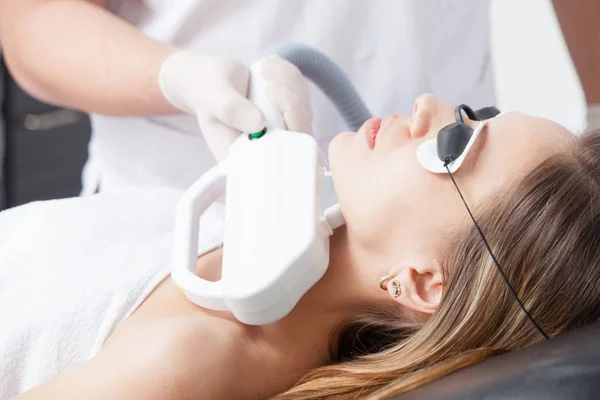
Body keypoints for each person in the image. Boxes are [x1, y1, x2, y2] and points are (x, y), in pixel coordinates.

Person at [3, 94, 600, 399]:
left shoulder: (202, 352)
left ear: (421, 282)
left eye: (453, 143)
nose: (427, 107)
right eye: (474, 113)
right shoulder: (252, 231)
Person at [0, 1, 597, 195]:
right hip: (182, 195)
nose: (427, 110)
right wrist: (177, 76)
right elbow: (34, 20)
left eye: (467, 129)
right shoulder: (185, 340)